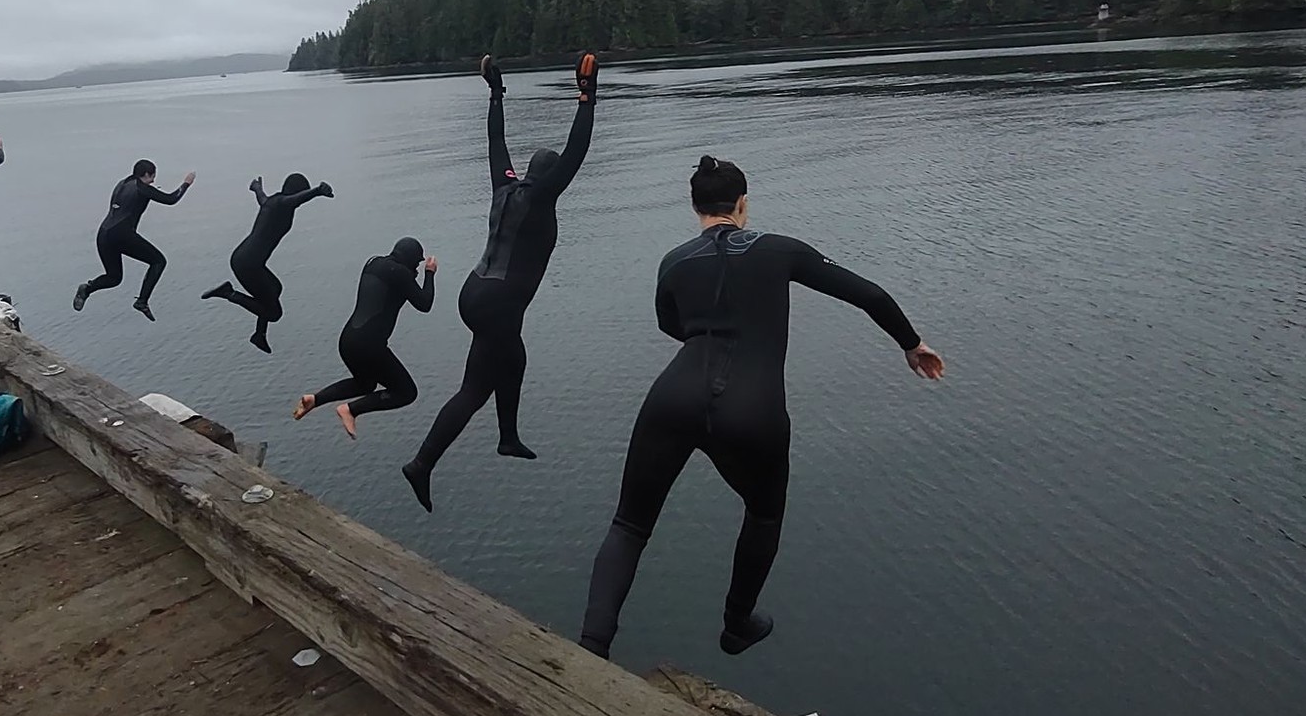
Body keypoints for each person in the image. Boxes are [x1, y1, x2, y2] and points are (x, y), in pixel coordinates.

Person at [576, 156, 945, 661]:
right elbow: (868, 294)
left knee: (630, 525)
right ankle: (736, 624)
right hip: (753, 406)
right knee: (764, 513)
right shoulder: (779, 250)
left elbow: (672, 326)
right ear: (743, 204)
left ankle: (590, 650)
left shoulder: (674, 261)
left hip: (674, 394)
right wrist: (911, 343)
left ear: (694, 206)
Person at [401, 51, 598, 513]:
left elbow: (496, 140)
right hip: (499, 303)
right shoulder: (544, 197)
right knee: (474, 390)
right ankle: (421, 464)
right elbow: (578, 150)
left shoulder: (504, 184)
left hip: (475, 292)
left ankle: (507, 437)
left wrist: (495, 91)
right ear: (551, 180)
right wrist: (587, 96)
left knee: (513, 357)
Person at [294, 237, 437, 439]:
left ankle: (315, 399)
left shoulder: (373, 262)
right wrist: (429, 273)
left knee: (365, 384)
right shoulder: (401, 274)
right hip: (370, 346)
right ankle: (350, 410)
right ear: (410, 260)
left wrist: (411, 274)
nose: (417, 266)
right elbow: (425, 303)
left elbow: (389, 287)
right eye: (416, 262)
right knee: (406, 393)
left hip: (348, 341)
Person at [202, 172, 333, 353]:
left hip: (246, 259)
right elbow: (294, 200)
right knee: (274, 313)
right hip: (248, 265)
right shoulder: (283, 204)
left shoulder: (272, 201)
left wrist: (257, 187)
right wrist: (317, 191)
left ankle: (259, 335)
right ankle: (229, 293)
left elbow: (262, 199)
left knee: (275, 289)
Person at [74, 160, 195, 319]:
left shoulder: (122, 184)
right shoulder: (142, 188)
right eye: (152, 176)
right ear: (146, 174)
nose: (153, 181)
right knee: (159, 261)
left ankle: (87, 289)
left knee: (114, 277)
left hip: (103, 235)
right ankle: (142, 301)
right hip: (122, 235)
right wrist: (186, 183)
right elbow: (171, 199)